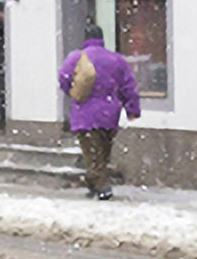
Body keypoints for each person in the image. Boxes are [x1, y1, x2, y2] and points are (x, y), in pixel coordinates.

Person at [57, 27, 139, 200]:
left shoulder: (77, 57)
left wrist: (73, 92)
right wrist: (132, 109)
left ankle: (101, 187)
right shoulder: (116, 59)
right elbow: (128, 86)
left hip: (85, 114)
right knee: (102, 152)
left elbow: (64, 77)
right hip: (110, 114)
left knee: (92, 153)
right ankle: (94, 186)